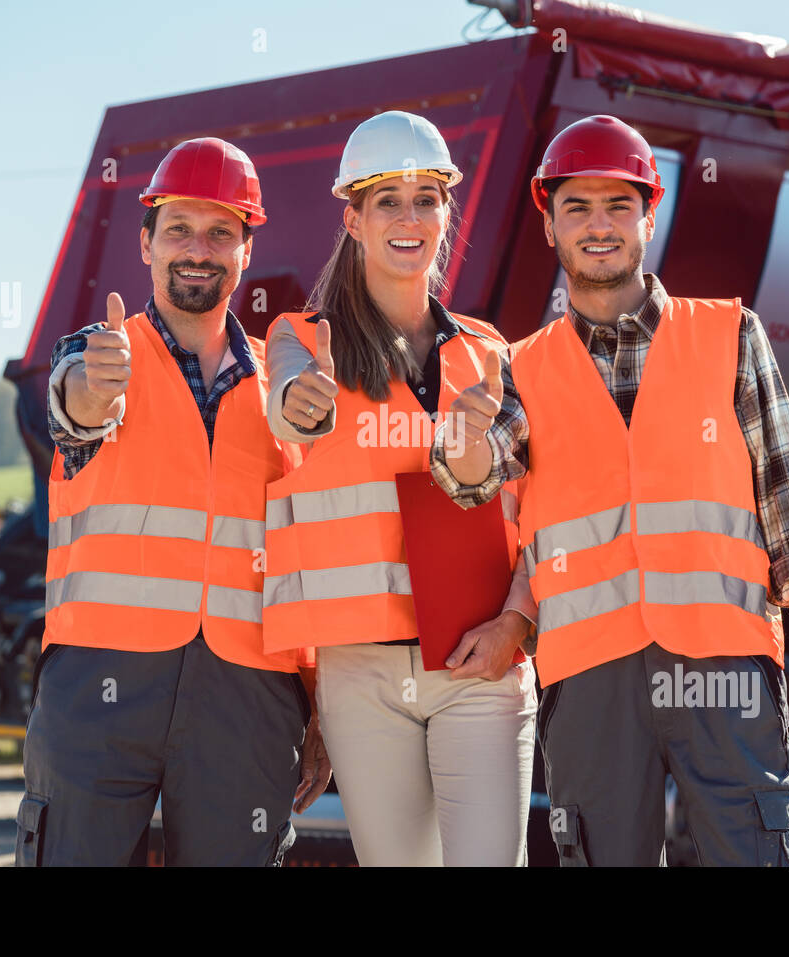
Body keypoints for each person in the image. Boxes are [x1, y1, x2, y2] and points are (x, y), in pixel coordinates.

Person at [434, 114, 789, 866]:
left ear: (648, 218)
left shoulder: (731, 334)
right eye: (577, 208)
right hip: (593, 677)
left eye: (617, 206)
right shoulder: (520, 369)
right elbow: (474, 480)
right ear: (550, 227)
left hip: (725, 664)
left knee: (758, 853)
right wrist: (463, 446)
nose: (599, 226)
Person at [17, 137, 330, 867]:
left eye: (221, 231)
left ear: (246, 251)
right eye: (180, 230)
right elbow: (75, 408)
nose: (199, 248)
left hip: (250, 692)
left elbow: (305, 563)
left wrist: (317, 706)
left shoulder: (284, 397)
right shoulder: (98, 355)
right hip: (100, 685)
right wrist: (93, 387)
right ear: (146, 244)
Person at [261, 111, 537, 866]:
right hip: (362, 676)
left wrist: (517, 623)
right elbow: (283, 395)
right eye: (387, 201)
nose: (409, 218)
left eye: (426, 199)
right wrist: (299, 400)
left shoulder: (491, 353)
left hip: (481, 662)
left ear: (448, 212)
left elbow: (541, 512)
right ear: (352, 217)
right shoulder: (303, 339)